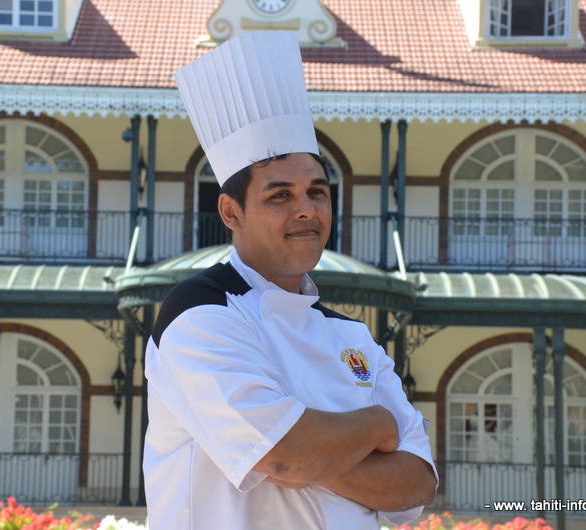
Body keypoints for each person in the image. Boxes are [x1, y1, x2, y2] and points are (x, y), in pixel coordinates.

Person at [143, 31, 437, 530]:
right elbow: (284, 457)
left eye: (317, 192)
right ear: (230, 212)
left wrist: (310, 453)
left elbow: (416, 486)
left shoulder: (351, 336)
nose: (306, 210)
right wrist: (377, 424)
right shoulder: (198, 313)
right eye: (280, 196)